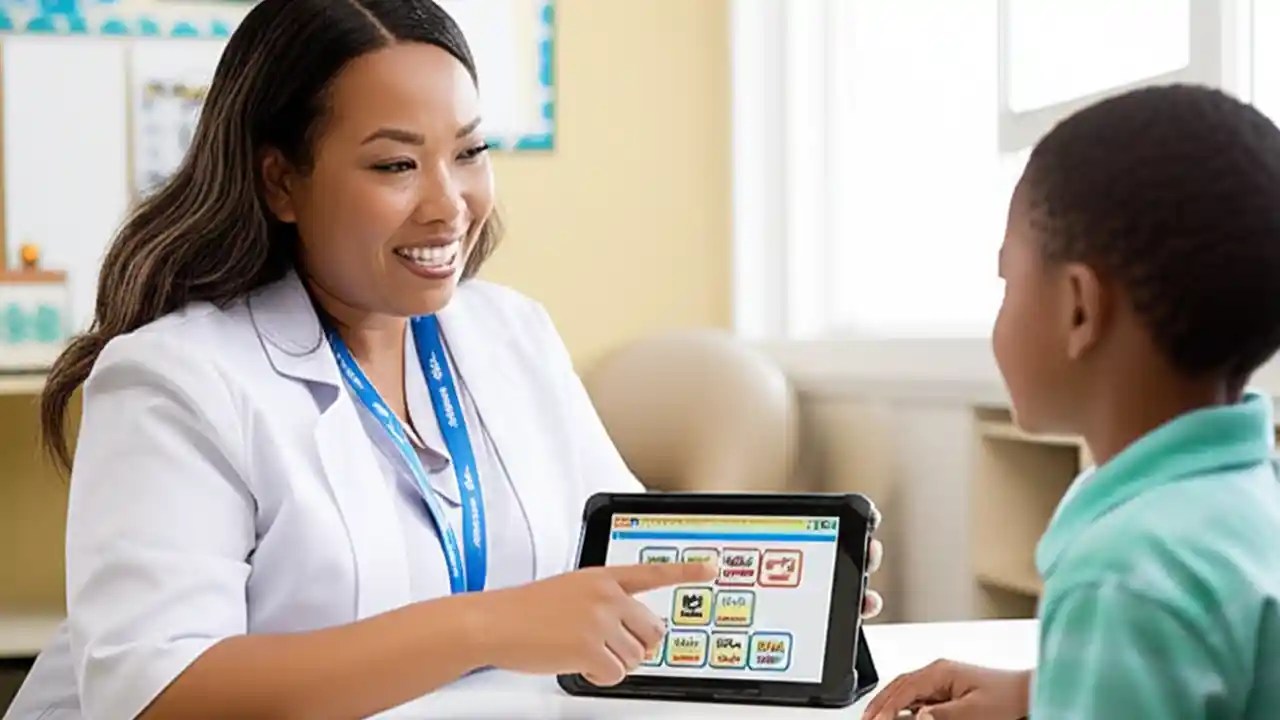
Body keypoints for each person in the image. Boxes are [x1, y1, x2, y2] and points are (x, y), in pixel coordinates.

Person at [5, 2, 884, 719]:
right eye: (394, 164)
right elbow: (154, 694)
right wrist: (487, 626)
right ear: (280, 181)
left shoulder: (510, 333)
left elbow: (620, 565)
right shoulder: (175, 379)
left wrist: (775, 594)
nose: (449, 204)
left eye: (469, 151)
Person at [864, 84, 1280, 720]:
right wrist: (1045, 691)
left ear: (1079, 308)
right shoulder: (1249, 498)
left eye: (1008, 281)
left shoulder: (1125, 571)